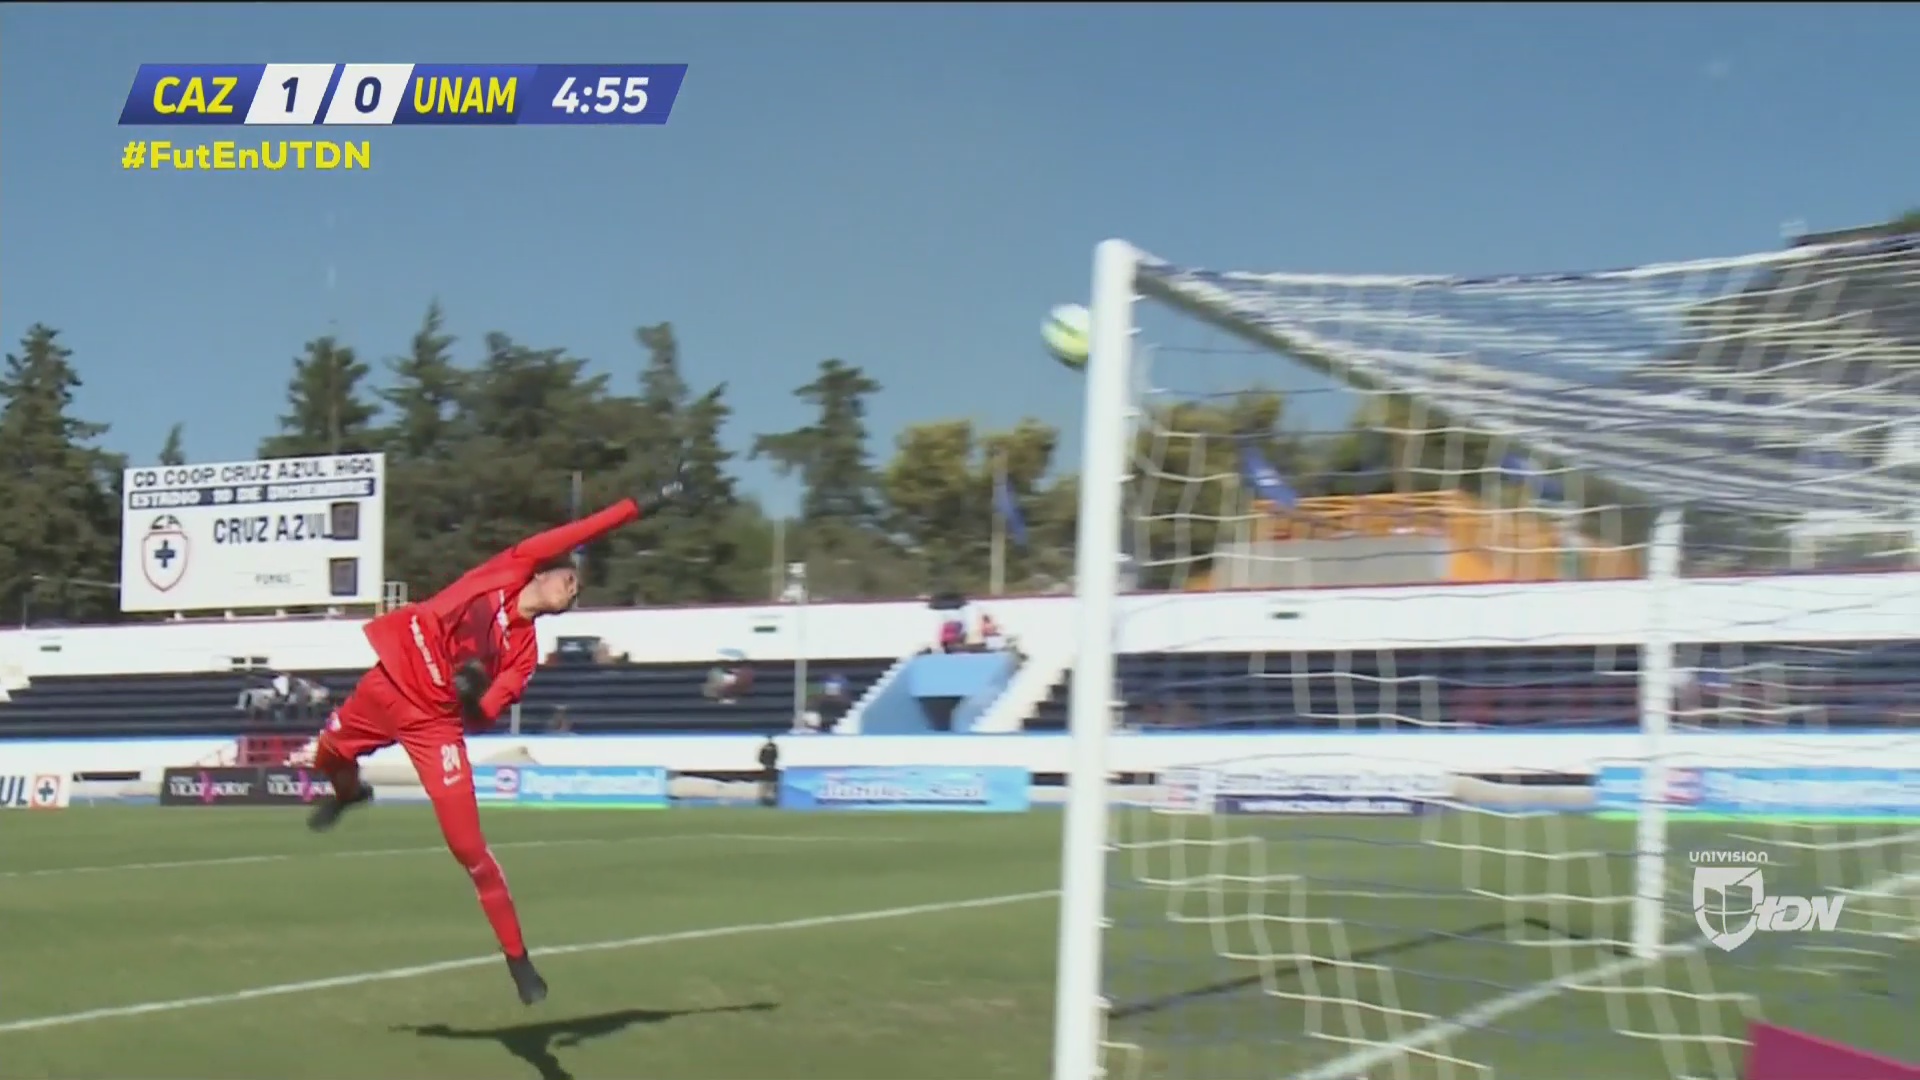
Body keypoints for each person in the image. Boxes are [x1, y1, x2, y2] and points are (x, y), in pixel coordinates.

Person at [301, 468, 685, 1006]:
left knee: (469, 850)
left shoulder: (524, 654)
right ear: (545, 573)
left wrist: (467, 695)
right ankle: (350, 794)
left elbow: (481, 714)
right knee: (327, 758)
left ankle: (518, 960)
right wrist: (643, 502)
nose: (572, 592)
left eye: (576, 594)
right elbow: (584, 529)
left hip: (433, 722)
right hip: (389, 681)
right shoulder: (511, 567)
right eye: (569, 581)